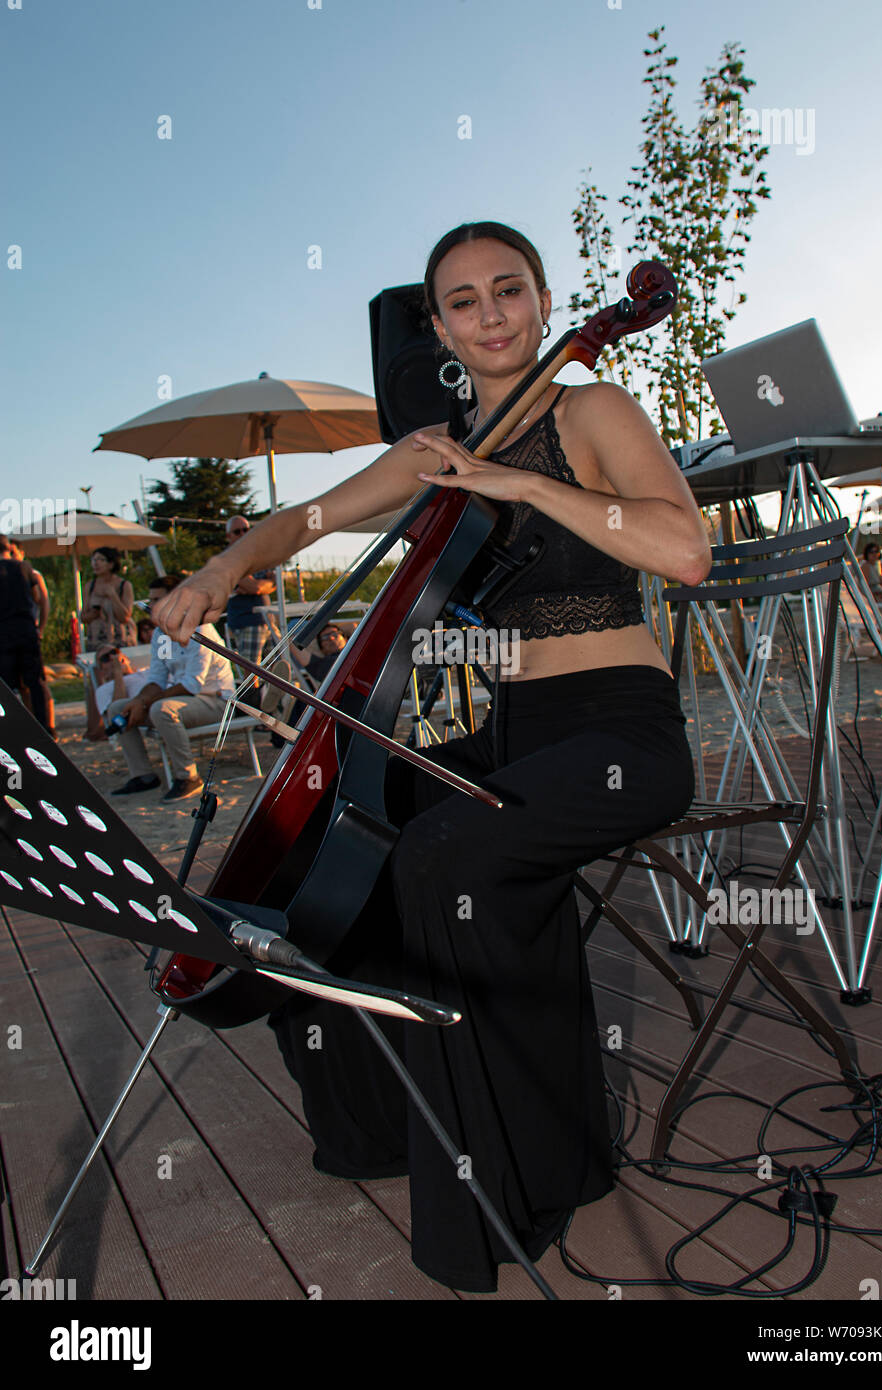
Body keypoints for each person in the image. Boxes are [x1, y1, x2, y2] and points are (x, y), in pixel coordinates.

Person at [151, 221, 711, 1292]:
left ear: (543, 303)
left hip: (618, 730)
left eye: (509, 290)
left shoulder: (587, 409)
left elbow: (682, 547)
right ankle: (374, 1124)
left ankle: (501, 1185)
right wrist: (224, 566)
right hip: (510, 739)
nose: (490, 313)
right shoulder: (430, 450)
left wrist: (527, 487)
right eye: (463, 300)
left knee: (442, 852)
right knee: (328, 836)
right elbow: (302, 518)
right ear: (442, 326)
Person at [107, 573, 235, 800]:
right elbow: (157, 678)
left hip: (217, 701)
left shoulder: (200, 630)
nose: (152, 606)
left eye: (157, 600)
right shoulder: (162, 634)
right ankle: (143, 776)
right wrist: (138, 701)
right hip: (187, 699)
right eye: (151, 600)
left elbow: (192, 685)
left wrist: (146, 702)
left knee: (162, 709)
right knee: (119, 708)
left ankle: (188, 777)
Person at [80, 547, 137, 738]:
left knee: (122, 678)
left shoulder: (123, 585)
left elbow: (126, 615)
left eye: (100, 560)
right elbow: (84, 616)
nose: (95, 564)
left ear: (111, 563)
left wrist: (112, 596)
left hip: (121, 639)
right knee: (96, 680)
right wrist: (95, 612)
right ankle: (96, 728)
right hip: (97, 639)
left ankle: (123, 718)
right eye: (93, 560)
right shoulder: (90, 585)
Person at [0, 533, 53, 733]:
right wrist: (40, 627)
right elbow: (38, 597)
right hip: (26, 628)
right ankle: (45, 728)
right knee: (35, 682)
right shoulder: (24, 567)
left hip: (3, 632)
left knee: (7, 687)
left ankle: (12, 730)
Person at [223, 516, 278, 705]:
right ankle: (254, 711)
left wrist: (262, 585)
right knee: (252, 669)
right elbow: (253, 586)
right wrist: (266, 584)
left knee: (278, 666)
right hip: (247, 620)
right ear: (229, 536)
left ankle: (273, 709)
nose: (243, 534)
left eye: (246, 529)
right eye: (238, 531)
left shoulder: (259, 556)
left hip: (267, 619)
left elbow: (270, 583)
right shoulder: (230, 558)